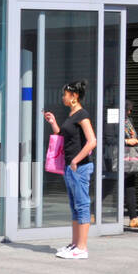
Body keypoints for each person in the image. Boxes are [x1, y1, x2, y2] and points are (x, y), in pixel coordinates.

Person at [44, 80, 96, 260]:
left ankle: (82, 247)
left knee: (82, 205)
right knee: (75, 206)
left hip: (79, 167)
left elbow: (92, 141)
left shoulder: (82, 114)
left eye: (65, 94)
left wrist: (75, 160)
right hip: (70, 167)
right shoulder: (72, 114)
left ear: (74, 96)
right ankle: (75, 244)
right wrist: (53, 122)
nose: (62, 97)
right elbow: (62, 138)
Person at [123, 100, 138, 229]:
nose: (129, 112)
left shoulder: (128, 120)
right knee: (109, 185)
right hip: (120, 156)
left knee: (130, 186)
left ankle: (133, 218)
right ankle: (93, 210)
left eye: (130, 110)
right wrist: (126, 140)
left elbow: (135, 137)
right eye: (127, 109)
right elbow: (108, 138)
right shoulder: (113, 119)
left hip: (131, 156)